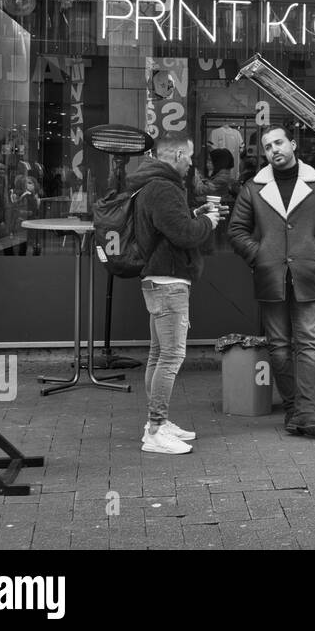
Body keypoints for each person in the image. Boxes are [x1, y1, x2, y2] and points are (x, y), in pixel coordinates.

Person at [229, 125, 315, 438]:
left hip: (309, 275)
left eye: (279, 143)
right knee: (279, 347)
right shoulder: (253, 188)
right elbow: (236, 231)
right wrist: (259, 256)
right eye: (268, 147)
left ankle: (305, 413)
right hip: (271, 276)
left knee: (308, 345)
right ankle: (295, 410)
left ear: (292, 144)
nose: (274, 150)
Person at [128, 132, 222, 454]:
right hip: (169, 283)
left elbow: (168, 228)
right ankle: (155, 430)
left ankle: (158, 423)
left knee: (157, 355)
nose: (192, 162)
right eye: (190, 156)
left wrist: (193, 216)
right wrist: (207, 222)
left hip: (156, 280)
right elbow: (183, 235)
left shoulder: (149, 184)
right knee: (171, 356)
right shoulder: (165, 188)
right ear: (179, 155)